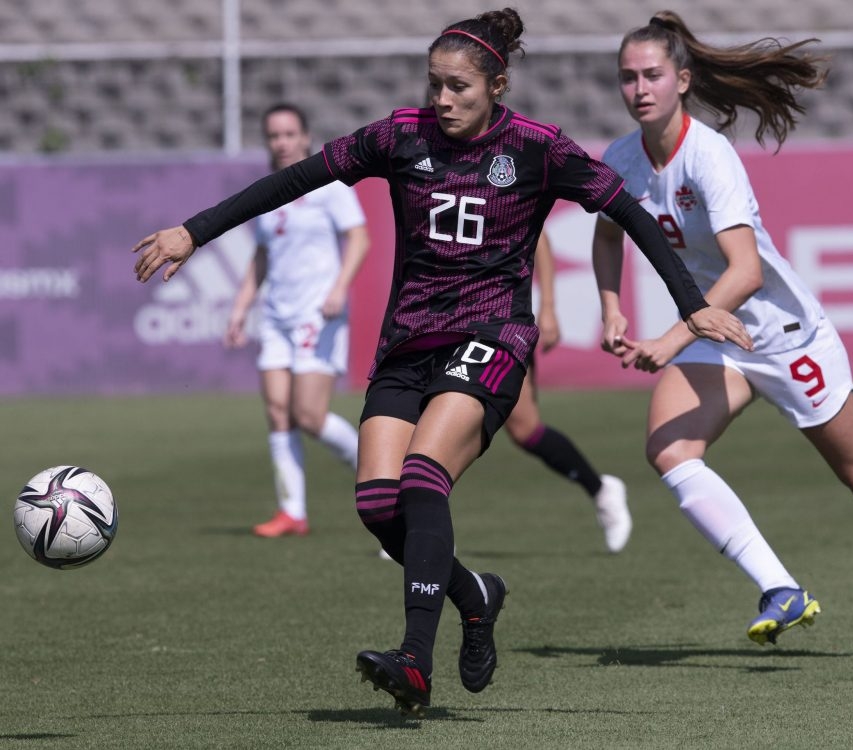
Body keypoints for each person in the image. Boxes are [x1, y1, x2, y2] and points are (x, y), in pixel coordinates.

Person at [133, 8, 752, 717]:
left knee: (425, 477)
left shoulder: (537, 149)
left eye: (458, 86)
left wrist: (690, 303)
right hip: (407, 344)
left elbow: (631, 213)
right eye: (435, 85)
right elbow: (293, 181)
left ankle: (415, 661)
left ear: (497, 84)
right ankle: (475, 595)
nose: (443, 99)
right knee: (376, 506)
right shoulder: (399, 137)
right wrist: (194, 232)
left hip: (493, 338)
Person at [593, 11, 853, 658]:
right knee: (669, 450)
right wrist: (610, 307)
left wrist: (669, 339)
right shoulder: (620, 158)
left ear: (683, 81)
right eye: (627, 77)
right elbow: (608, 233)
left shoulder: (709, 156)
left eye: (652, 75)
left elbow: (747, 272)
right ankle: (779, 587)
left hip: (783, 335)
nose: (639, 88)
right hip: (718, 337)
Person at [224, 103, 370, 538]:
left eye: (289, 134)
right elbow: (263, 255)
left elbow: (359, 238)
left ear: (306, 137)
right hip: (276, 316)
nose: (282, 142)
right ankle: (292, 511)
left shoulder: (330, 186)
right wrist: (240, 307)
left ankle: (381, 470)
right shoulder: (268, 191)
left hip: (316, 313)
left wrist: (340, 287)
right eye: (274, 136)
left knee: (309, 414)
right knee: (277, 412)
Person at [504, 231, 631, 553]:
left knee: (524, 428)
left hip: (501, 316)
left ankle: (600, 490)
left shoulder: (494, 180)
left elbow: (539, 237)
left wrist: (547, 306)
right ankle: (409, 524)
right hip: (443, 311)